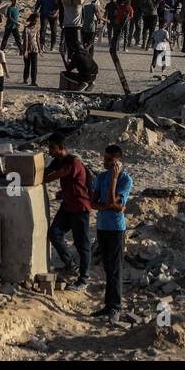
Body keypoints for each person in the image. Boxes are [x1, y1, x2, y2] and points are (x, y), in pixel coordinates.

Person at [43, 133, 92, 287]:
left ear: (62, 148)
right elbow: (46, 171)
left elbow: (51, 176)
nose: (49, 151)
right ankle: (70, 265)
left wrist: (32, 178)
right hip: (67, 205)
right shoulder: (58, 160)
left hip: (79, 207)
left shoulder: (73, 162)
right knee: (54, 234)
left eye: (52, 148)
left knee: (82, 245)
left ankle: (84, 278)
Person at [91, 144, 133, 321]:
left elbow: (109, 200)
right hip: (102, 226)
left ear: (118, 161)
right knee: (108, 268)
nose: (105, 162)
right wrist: (112, 206)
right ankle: (108, 305)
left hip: (116, 229)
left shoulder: (125, 179)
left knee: (115, 269)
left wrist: (114, 179)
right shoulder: (101, 177)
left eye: (109, 159)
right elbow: (93, 203)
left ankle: (115, 307)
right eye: (105, 158)